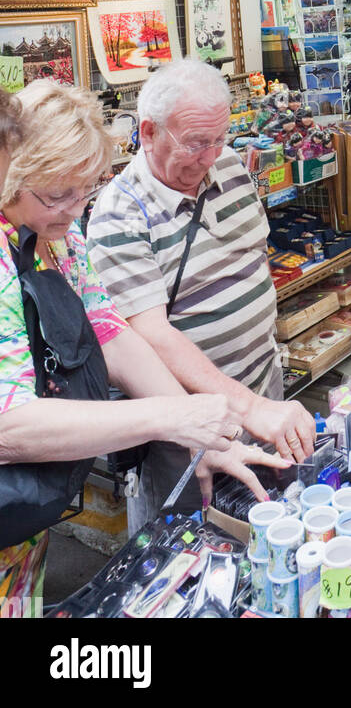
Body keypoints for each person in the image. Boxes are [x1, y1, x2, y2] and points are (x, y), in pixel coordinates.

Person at [0, 79, 287, 617]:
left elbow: (111, 330)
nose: (75, 209)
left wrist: (206, 439)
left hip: (23, 515)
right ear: (10, 170)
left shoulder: (53, 235)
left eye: (84, 189)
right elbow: (8, 427)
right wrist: (167, 416)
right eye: (56, 193)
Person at [88, 58, 316, 526]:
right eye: (195, 143)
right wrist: (239, 410)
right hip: (187, 430)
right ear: (148, 133)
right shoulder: (119, 215)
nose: (211, 156)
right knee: (191, 546)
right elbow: (148, 334)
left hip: (263, 392)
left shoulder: (229, 164)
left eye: (218, 139)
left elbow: (253, 254)